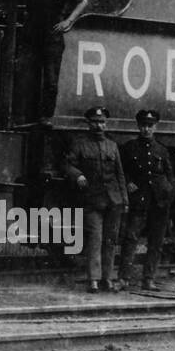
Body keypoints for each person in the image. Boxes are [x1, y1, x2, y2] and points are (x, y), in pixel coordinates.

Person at [61, 106, 128, 293]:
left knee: (110, 241)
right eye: (95, 122)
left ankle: (107, 279)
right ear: (88, 124)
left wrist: (124, 199)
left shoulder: (112, 146)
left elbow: (120, 175)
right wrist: (78, 175)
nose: (99, 126)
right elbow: (67, 165)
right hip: (92, 200)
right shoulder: (80, 144)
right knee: (95, 240)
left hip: (113, 201)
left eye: (102, 122)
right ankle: (94, 280)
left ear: (106, 124)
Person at [21, 0, 88, 126]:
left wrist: (68, 21)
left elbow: (82, 1)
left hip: (52, 36)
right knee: (29, 77)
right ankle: (29, 115)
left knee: (50, 80)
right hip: (32, 35)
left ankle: (46, 116)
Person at [118, 109, 175, 290]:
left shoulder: (161, 150)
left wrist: (168, 192)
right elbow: (121, 171)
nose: (146, 129)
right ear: (138, 126)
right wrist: (128, 183)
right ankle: (123, 278)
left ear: (155, 127)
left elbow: (170, 175)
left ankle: (148, 278)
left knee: (156, 242)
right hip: (139, 201)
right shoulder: (130, 148)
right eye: (143, 126)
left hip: (159, 203)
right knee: (131, 239)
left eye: (150, 126)